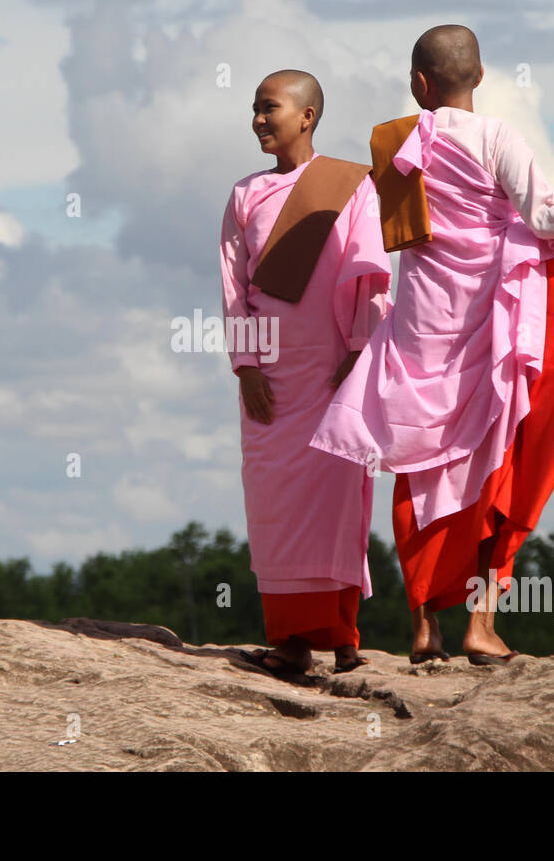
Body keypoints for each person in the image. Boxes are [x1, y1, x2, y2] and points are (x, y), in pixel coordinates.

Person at [310, 26, 554, 665]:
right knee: (493, 470)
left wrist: (356, 336)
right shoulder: (499, 137)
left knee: (417, 468)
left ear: (418, 85)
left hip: (420, 332)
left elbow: (380, 241)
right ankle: (481, 624)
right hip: (494, 327)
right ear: (479, 78)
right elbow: (548, 218)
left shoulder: (396, 144)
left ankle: (424, 626)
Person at [221, 69, 392, 676]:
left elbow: (369, 273)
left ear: (307, 115)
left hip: (331, 369)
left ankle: (343, 636)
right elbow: (234, 287)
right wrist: (246, 367)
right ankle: (290, 639)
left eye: (269, 107)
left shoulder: (351, 187)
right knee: (273, 504)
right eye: (254, 109)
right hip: (269, 375)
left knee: (338, 496)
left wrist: (356, 351)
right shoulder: (245, 195)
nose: (259, 119)